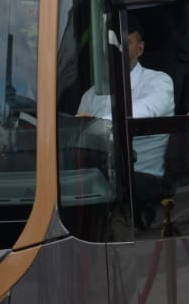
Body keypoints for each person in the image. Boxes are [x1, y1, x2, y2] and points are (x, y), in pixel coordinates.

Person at [75, 17, 176, 230]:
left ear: (140, 49)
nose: (118, 48)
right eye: (113, 44)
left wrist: (93, 125)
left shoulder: (159, 81)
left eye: (126, 42)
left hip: (142, 178)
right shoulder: (92, 93)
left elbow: (144, 111)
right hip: (97, 176)